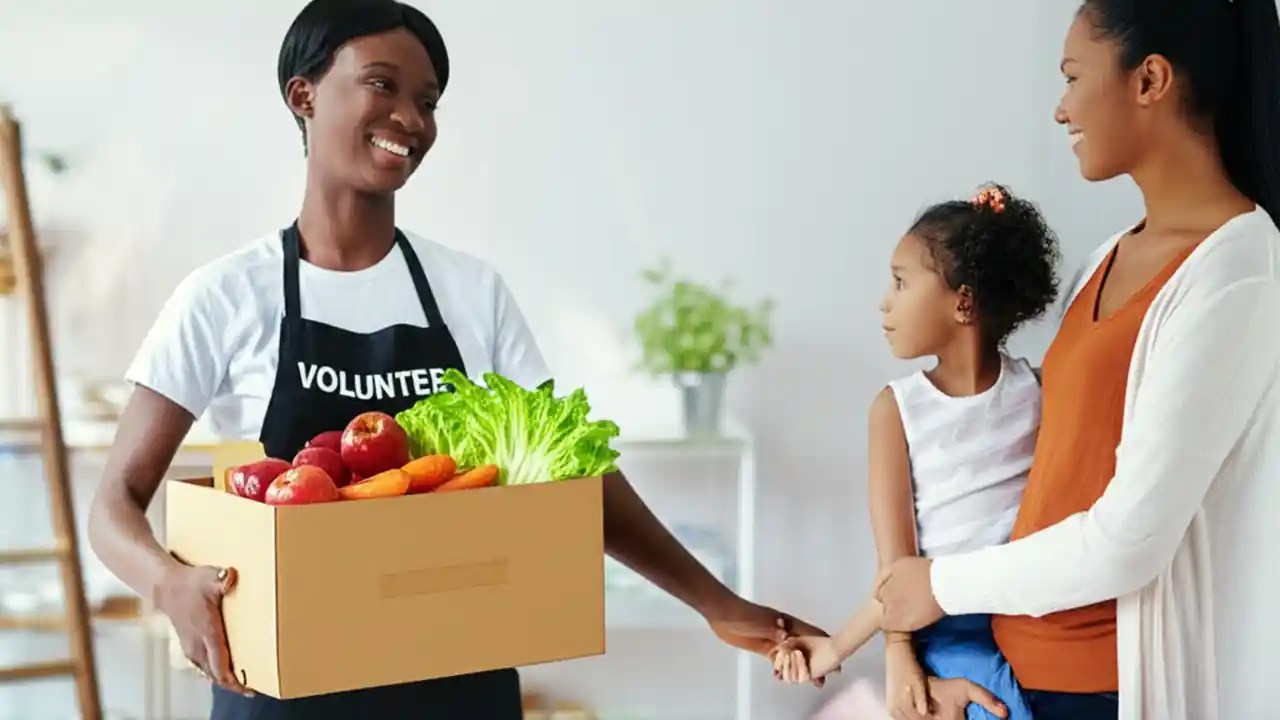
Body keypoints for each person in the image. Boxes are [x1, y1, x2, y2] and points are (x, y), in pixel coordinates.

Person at [85, 1, 827, 717]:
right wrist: (168, 583)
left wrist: (717, 605)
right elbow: (115, 501)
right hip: (287, 691)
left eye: (428, 99)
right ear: (302, 94)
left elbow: (573, 474)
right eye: (382, 84)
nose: (411, 119)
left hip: (455, 683)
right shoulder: (225, 296)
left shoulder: (470, 292)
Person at [874, 1, 1280, 718]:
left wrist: (937, 586)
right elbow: (1029, 492)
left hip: (1107, 690)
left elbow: (1128, 540)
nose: (1061, 111)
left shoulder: (1236, 272)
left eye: (1071, 77)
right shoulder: (1106, 259)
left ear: (1149, 79)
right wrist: (925, 653)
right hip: (1009, 678)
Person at [771, 184, 1060, 720]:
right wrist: (859, 651)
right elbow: (897, 569)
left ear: (963, 302)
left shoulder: (1039, 393)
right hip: (943, 624)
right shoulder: (896, 410)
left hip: (1024, 614)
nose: (884, 300)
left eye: (901, 282)